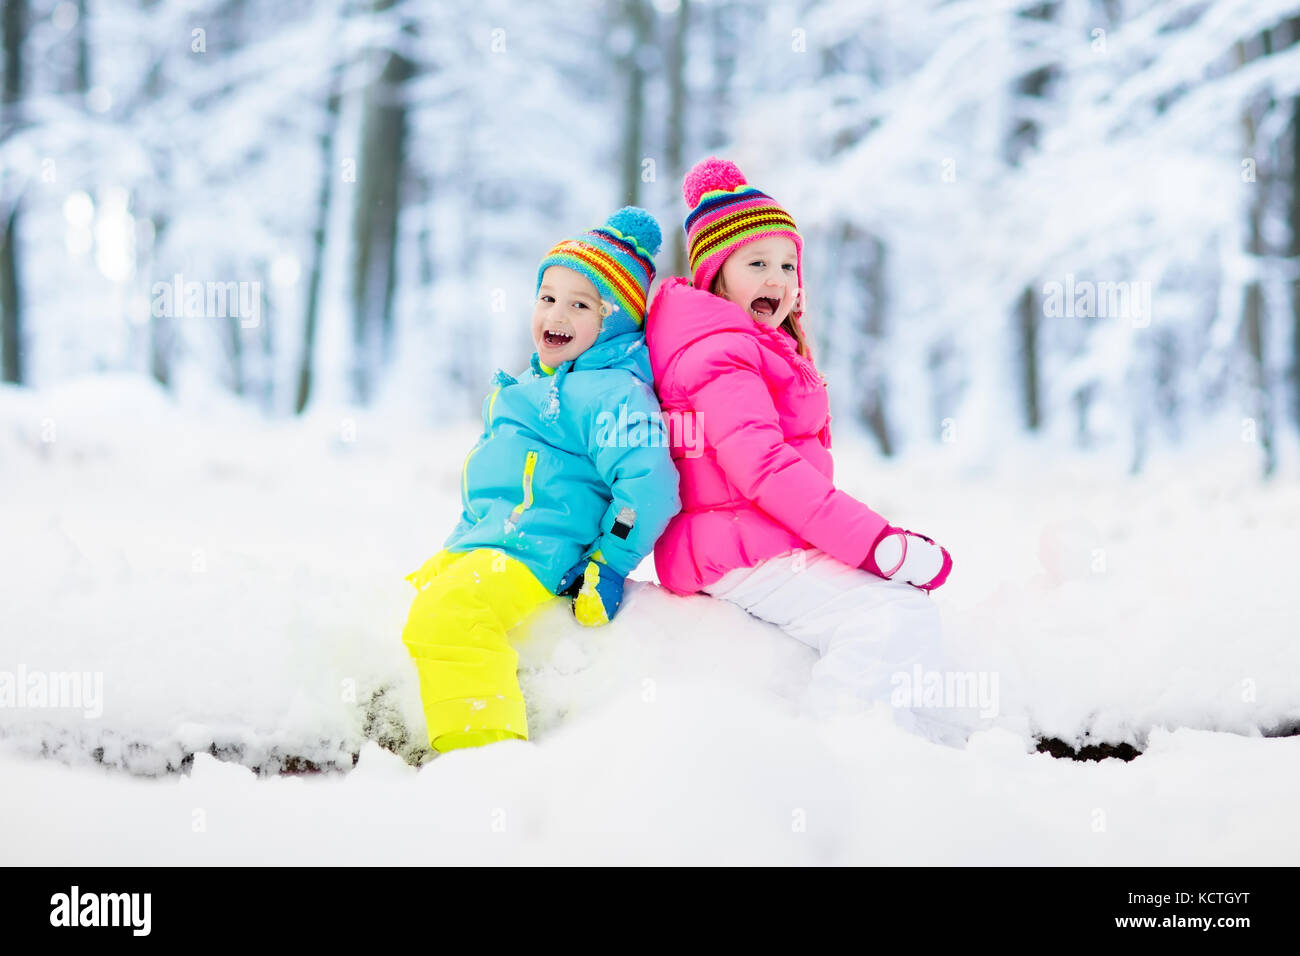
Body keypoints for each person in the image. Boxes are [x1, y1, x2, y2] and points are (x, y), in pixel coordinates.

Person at [646, 158, 953, 721]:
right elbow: (763, 469)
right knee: (889, 618)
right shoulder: (720, 354)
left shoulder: (750, 344)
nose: (777, 280)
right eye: (756, 262)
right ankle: (849, 757)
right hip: (736, 547)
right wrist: (874, 543)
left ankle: (906, 751)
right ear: (714, 272)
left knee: (904, 608)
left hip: (759, 538)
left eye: (788, 265)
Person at [401, 207, 681, 754]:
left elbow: (648, 487)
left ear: (616, 320)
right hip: (491, 543)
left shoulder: (613, 393)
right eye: (548, 297)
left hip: (538, 553)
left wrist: (611, 562)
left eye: (581, 305)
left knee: (451, 617)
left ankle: (486, 759)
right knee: (428, 612)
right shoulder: (532, 385)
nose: (557, 313)